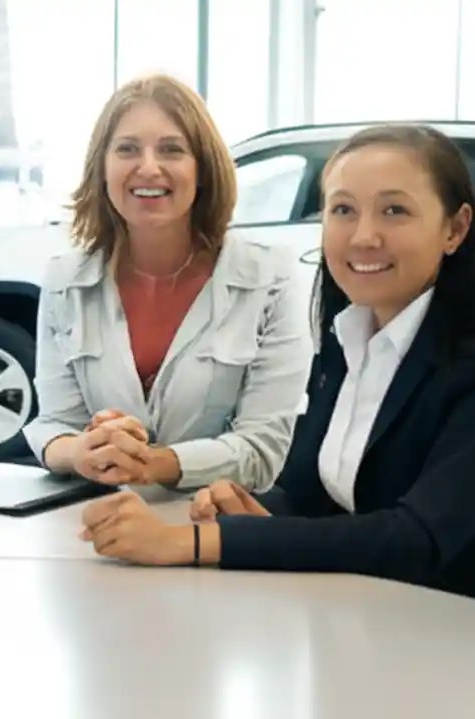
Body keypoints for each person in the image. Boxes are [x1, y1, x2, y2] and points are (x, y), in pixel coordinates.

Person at [77, 124, 475, 616]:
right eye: (342, 210)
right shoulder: (348, 340)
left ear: (455, 228)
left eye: (394, 211)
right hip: (372, 623)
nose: (363, 236)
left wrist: (189, 542)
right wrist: (254, 509)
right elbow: (310, 495)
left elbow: (415, 539)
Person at [22, 74, 311, 492]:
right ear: (102, 168)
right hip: (95, 526)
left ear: (204, 169)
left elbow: (262, 452)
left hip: (213, 532)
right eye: (127, 149)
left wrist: (150, 464)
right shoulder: (65, 281)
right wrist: (82, 451)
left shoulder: (271, 277)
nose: (149, 167)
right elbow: (54, 425)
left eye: (172, 149)